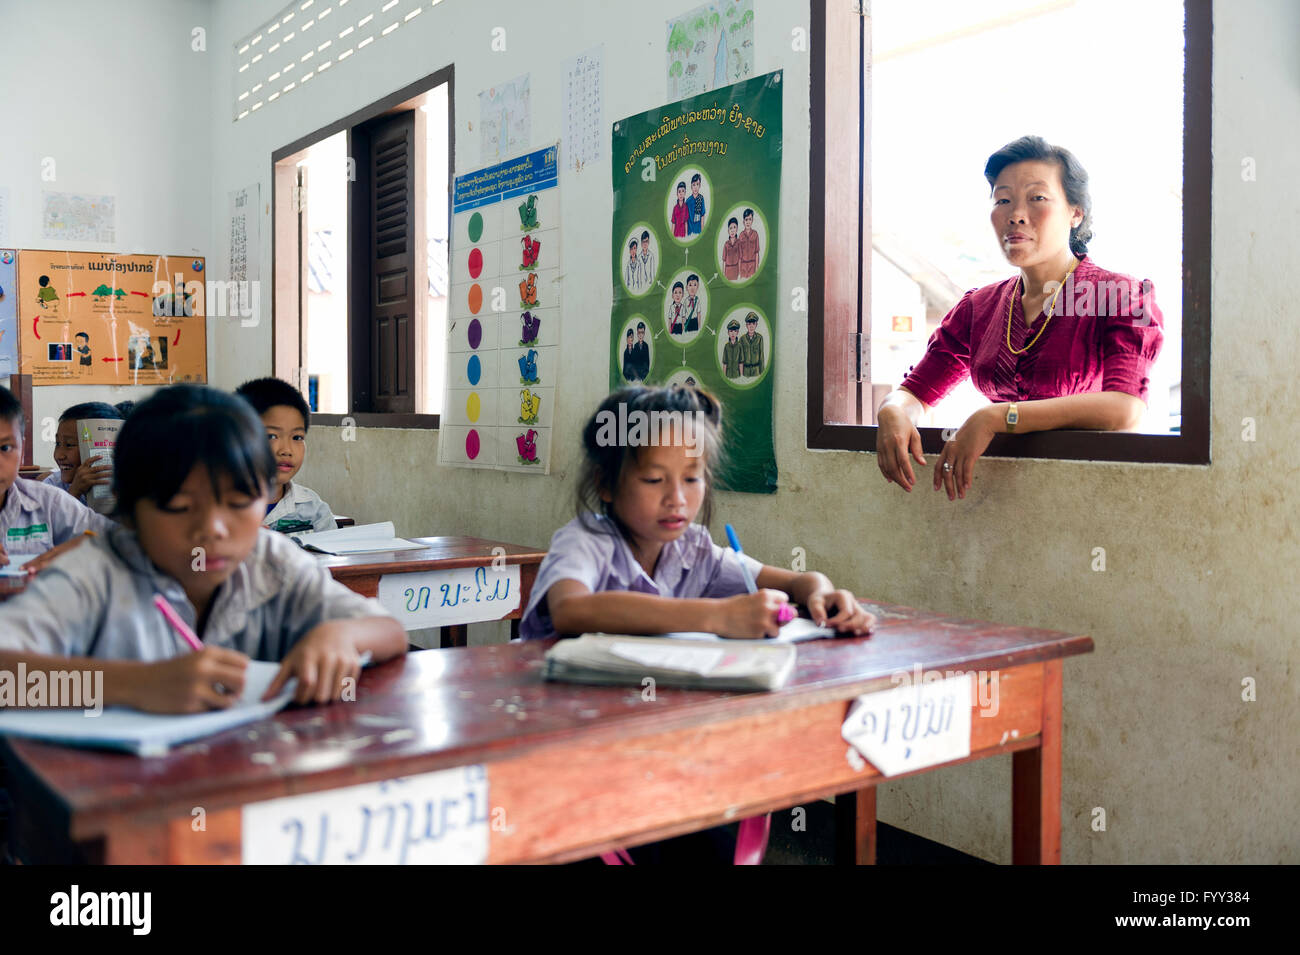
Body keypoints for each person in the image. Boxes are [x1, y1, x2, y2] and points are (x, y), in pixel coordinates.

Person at [0, 384, 406, 712]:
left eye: (238, 502)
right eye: (179, 505)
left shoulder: (269, 558)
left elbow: (389, 631)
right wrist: (136, 684)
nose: (213, 529)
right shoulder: (96, 572)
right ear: (130, 505)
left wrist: (341, 636)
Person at [875, 135, 1164, 500]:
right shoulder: (978, 308)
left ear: (1076, 212)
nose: (1016, 214)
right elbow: (914, 393)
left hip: (1092, 500)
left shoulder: (1123, 295)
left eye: (1037, 198)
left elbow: (1125, 410)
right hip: (996, 508)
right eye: (1003, 200)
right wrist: (892, 410)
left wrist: (996, 417)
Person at [519, 385, 874, 643]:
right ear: (606, 484)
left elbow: (798, 582)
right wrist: (719, 616)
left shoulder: (696, 551)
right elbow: (571, 611)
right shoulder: (585, 541)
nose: (677, 498)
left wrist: (822, 594)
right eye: (654, 479)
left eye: (692, 478)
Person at [0, 386, 114, 573]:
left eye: (5, 448)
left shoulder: (48, 502)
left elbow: (123, 541)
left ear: (22, 449)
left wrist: (90, 544)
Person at [235, 377, 337, 534]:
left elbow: (333, 553)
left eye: (297, 437)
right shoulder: (212, 507)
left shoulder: (312, 508)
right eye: (271, 436)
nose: (286, 450)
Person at [44, 401, 121, 504]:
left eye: (69, 444)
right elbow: (52, 519)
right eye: (57, 444)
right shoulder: (52, 486)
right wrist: (75, 492)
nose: (59, 455)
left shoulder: (123, 483)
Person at [738, 208, 761, 279]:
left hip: (752, 265)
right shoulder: (741, 235)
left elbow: (757, 252)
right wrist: (739, 271)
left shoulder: (755, 234)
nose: (748, 222)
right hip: (743, 266)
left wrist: (757, 268)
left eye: (750, 219)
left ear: (752, 220)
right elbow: (739, 255)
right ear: (743, 221)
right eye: (746, 219)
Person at [739, 312, 763, 377]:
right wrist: (740, 373)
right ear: (746, 325)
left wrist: (762, 372)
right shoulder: (742, 339)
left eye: (753, 323)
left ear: (756, 325)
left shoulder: (759, 338)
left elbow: (761, 356)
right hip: (745, 371)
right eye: (749, 324)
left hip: (756, 370)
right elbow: (740, 358)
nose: (751, 326)